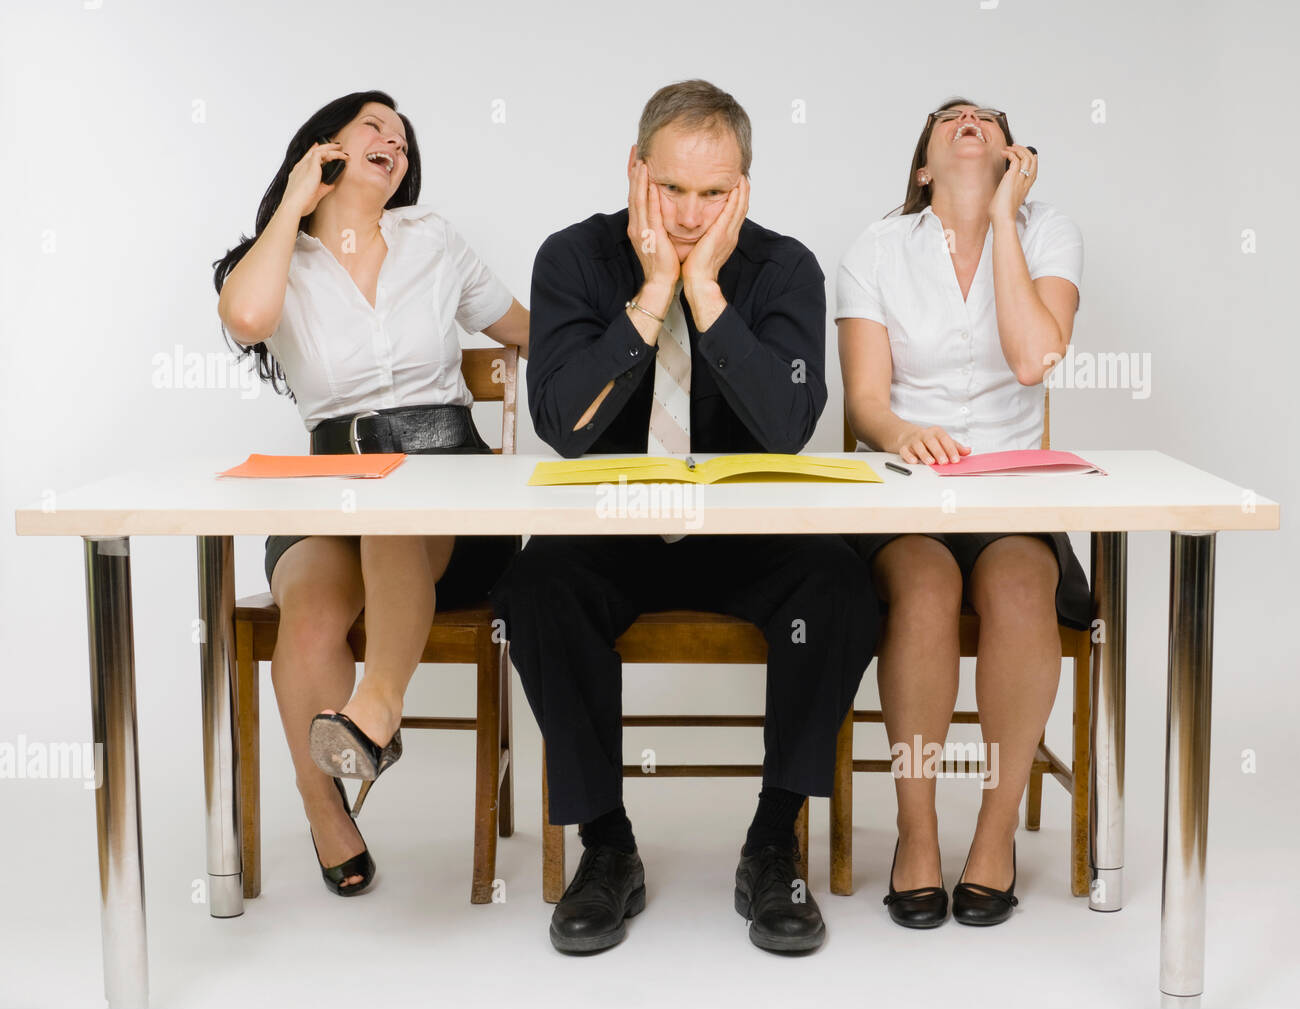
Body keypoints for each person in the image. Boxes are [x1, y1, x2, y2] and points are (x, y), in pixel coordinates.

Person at [491, 79, 880, 955]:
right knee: (535, 583)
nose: (693, 213)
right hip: (616, 529)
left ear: (745, 187)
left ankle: (774, 840)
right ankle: (606, 845)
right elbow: (562, 423)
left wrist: (705, 292)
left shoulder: (784, 268)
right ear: (636, 171)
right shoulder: (573, 259)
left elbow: (788, 430)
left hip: (743, 535)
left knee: (842, 579)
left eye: (716, 193)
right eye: (673, 188)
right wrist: (652, 294)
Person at [213, 90, 528, 896]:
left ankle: (377, 707)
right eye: (373, 129)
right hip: (326, 486)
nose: (396, 142)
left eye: (404, 137)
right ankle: (325, 810)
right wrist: (295, 203)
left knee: (395, 503)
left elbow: (527, 331)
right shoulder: (278, 255)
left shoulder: (434, 240)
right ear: (324, 149)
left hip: (448, 485)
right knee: (311, 609)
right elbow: (248, 318)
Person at [836, 97, 1090, 928]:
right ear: (922, 167)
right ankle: (917, 830)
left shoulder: (1048, 231)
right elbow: (867, 399)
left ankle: (993, 830)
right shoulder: (877, 246)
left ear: (1014, 155)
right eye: (950, 117)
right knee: (926, 590)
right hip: (908, 490)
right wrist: (906, 432)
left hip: (1014, 493)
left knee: (1021, 591)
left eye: (987, 118)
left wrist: (1005, 220)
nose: (970, 120)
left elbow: (1031, 359)